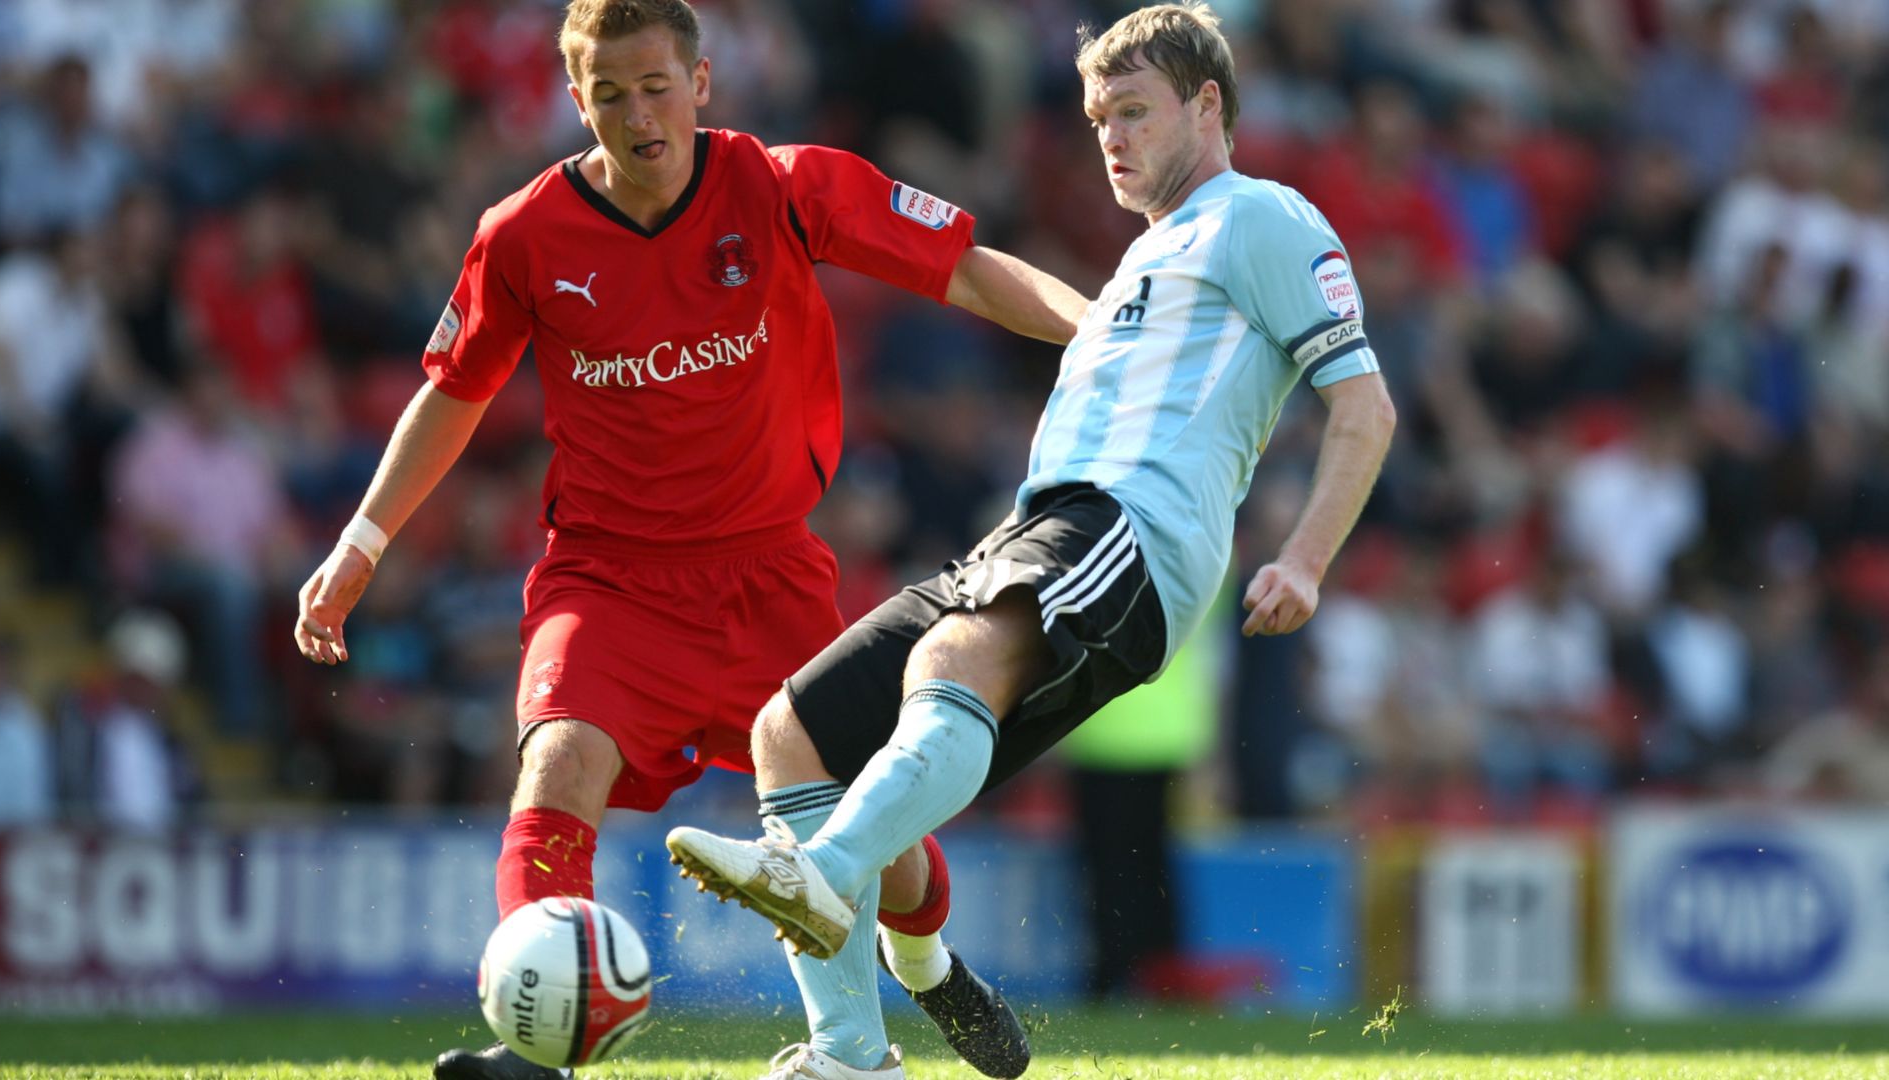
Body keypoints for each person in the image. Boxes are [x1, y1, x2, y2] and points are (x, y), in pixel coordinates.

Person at [290, 3, 1087, 1078]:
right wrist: (362, 541)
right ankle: (540, 1046)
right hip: (606, 579)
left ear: (701, 83)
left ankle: (927, 962)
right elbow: (453, 390)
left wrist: (1102, 330)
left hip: (769, 572)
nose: (636, 113)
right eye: (608, 93)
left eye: (656, 86)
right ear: (576, 101)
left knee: (881, 853)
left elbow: (968, 268)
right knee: (557, 762)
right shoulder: (523, 235)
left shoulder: (783, 186)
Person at [665, 6, 1396, 1079]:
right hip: (1041, 528)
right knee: (792, 733)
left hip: (1136, 532)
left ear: (1208, 105)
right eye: (1099, 115)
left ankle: (817, 873)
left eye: (1135, 111)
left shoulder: (1264, 219)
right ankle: (850, 1053)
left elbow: (1364, 407)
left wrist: (1307, 557)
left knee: (953, 660)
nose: (1110, 135)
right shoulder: (1147, 261)